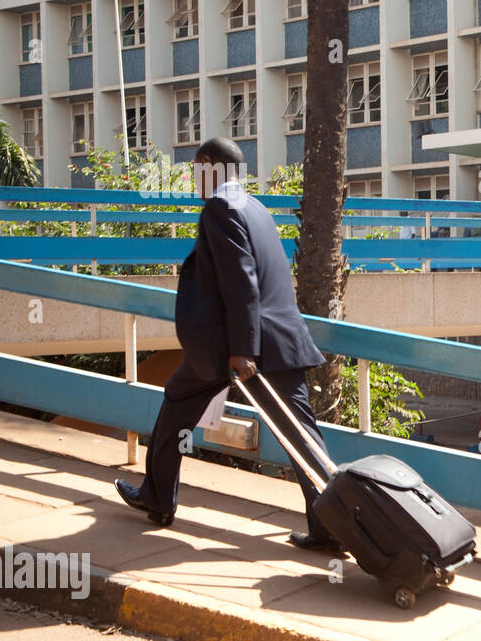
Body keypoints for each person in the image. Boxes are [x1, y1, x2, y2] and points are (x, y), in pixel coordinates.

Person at [113, 137, 335, 550]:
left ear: (209, 165)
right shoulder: (255, 207)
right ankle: (157, 497)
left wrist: (243, 350)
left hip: (244, 349)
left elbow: (241, 281)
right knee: (297, 433)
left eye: (195, 168)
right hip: (260, 342)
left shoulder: (219, 207)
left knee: (296, 435)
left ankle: (159, 499)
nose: (192, 178)